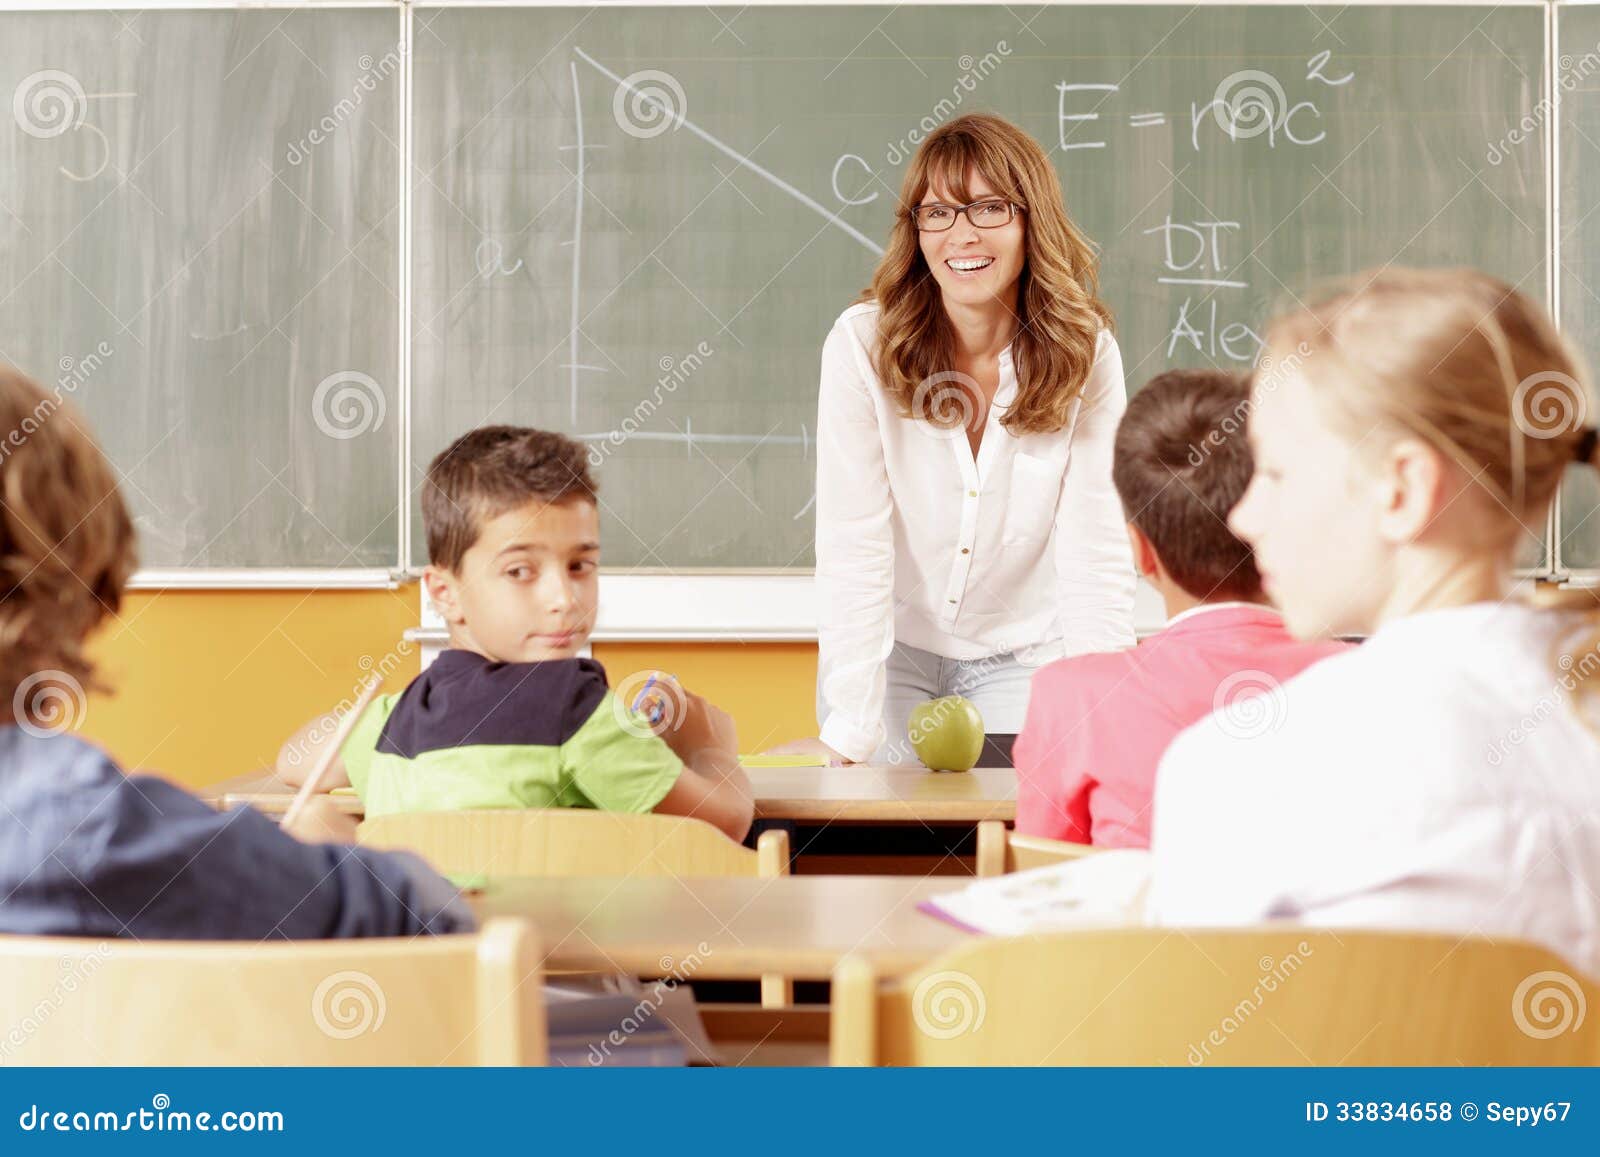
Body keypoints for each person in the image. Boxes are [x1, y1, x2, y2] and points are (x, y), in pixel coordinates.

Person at [279, 426, 754, 843]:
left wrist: (370, 715)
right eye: (521, 570)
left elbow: (292, 762)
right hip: (562, 946)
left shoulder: (392, 726)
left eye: (579, 565)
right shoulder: (579, 710)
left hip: (440, 940)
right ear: (445, 593)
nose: (564, 598)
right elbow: (724, 825)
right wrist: (707, 748)